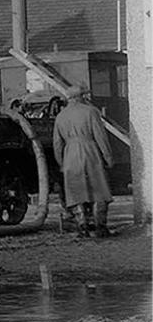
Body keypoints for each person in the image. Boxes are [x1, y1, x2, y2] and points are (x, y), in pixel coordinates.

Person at [52, 85, 116, 237]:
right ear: (80, 97)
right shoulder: (91, 112)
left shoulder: (60, 116)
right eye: (84, 95)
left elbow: (57, 143)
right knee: (99, 189)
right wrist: (108, 157)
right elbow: (101, 137)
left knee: (76, 191)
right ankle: (101, 227)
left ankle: (82, 227)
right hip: (90, 151)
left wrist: (61, 162)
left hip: (70, 155)